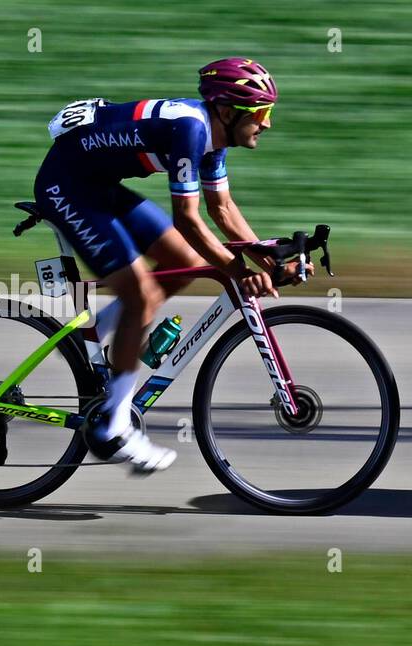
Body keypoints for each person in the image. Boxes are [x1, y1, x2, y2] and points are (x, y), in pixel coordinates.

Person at [33, 57, 292, 473]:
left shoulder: (212, 137)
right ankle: (113, 428)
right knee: (141, 294)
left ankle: (108, 327)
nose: (267, 123)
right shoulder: (190, 129)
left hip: (97, 185)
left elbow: (222, 210)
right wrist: (238, 270)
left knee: (184, 262)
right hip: (67, 187)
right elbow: (188, 220)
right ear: (228, 111)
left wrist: (273, 255)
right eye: (262, 112)